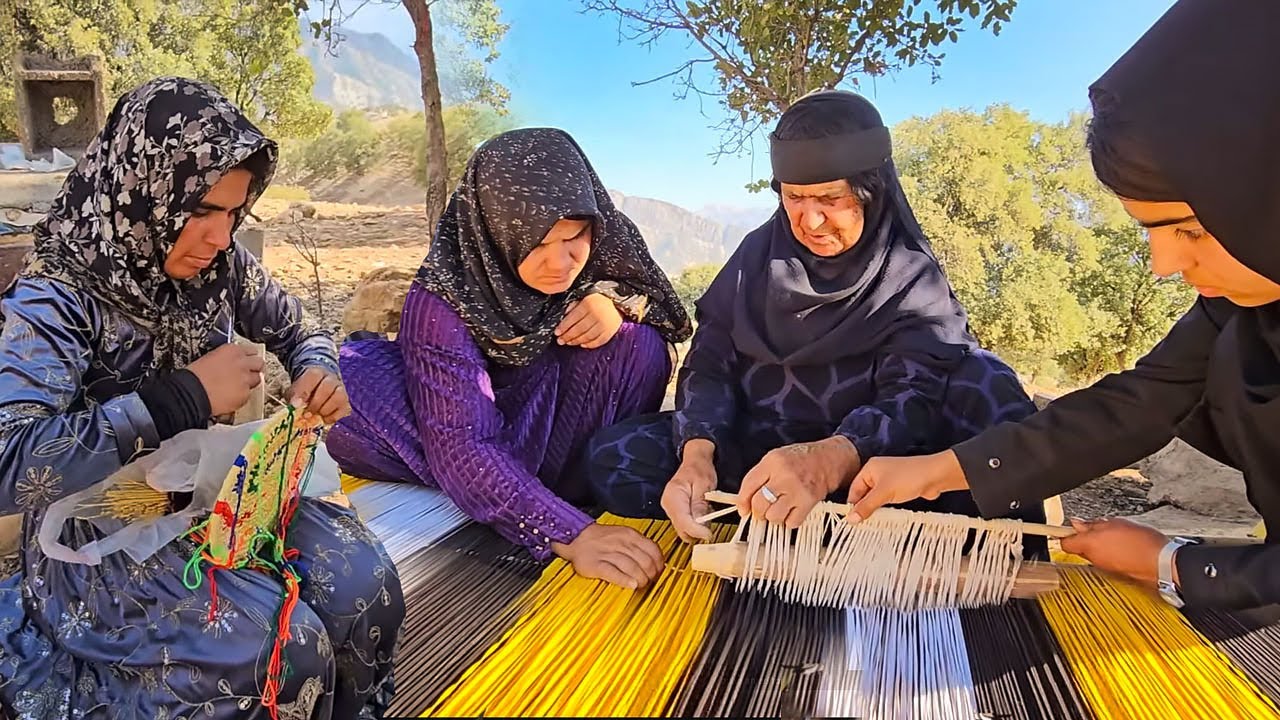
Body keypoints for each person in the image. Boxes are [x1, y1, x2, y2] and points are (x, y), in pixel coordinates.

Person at [840, 0, 1280, 611]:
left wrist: (1174, 564)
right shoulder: (1239, 314)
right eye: (1151, 232)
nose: (1164, 264)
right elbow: (1136, 406)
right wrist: (937, 470)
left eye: (1191, 230)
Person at [0, 77, 403, 719]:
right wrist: (179, 399)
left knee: (363, 583)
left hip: (215, 492)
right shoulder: (57, 296)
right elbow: (9, 461)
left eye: (234, 214)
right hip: (98, 528)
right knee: (278, 645)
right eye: (200, 212)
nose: (220, 236)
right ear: (144, 191)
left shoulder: (222, 267)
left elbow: (300, 328)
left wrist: (317, 368)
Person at [585, 90, 1046, 555]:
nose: (811, 220)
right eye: (794, 197)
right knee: (614, 458)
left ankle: (904, 542)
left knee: (987, 383)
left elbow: (911, 398)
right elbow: (708, 367)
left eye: (830, 197)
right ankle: (822, 532)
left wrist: (830, 459)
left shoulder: (910, 278)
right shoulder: (756, 260)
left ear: (872, 190)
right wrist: (698, 455)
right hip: (762, 456)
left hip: (874, 468)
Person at [325, 128, 694, 590]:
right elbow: (462, 442)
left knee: (640, 343)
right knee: (359, 393)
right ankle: (515, 493)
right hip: (460, 415)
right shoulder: (442, 299)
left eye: (574, 237)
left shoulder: (605, 249)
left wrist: (616, 300)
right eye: (535, 244)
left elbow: (667, 310)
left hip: (556, 419)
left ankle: (556, 485)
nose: (560, 263)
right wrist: (570, 533)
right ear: (493, 233)